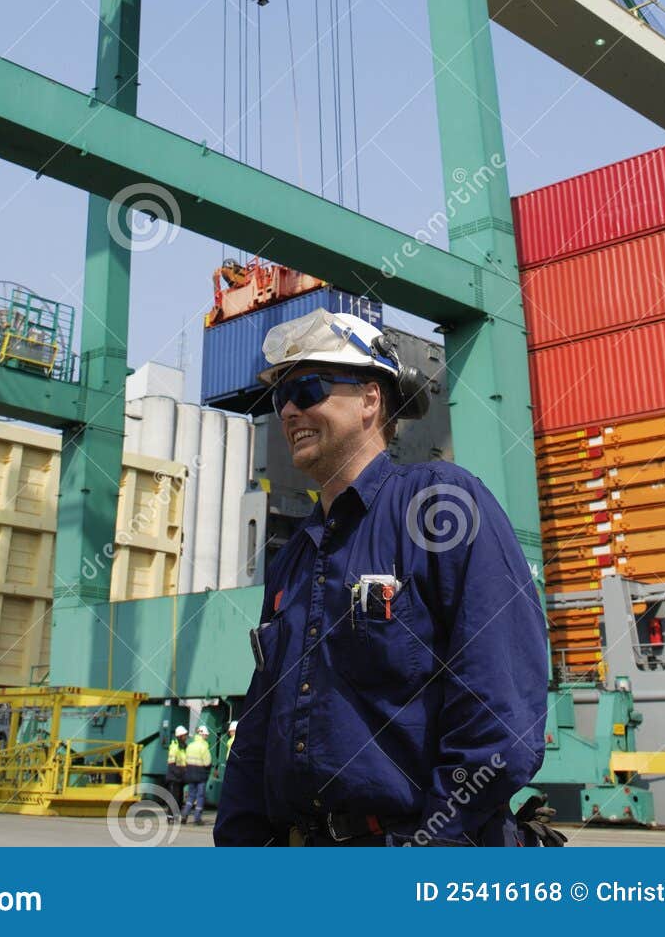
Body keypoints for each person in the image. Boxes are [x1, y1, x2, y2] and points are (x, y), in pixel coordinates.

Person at [214, 309, 550, 848]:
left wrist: (431, 846)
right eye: (281, 398)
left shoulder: (438, 505)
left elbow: (499, 709)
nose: (290, 410)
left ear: (371, 399)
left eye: (307, 387)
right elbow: (258, 727)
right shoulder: (293, 561)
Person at [181, 726, 211, 825]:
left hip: (190, 774)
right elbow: (207, 763)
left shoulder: (190, 745)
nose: (207, 737)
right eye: (206, 735)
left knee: (190, 796)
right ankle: (197, 818)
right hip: (201, 775)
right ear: (203, 735)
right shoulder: (204, 747)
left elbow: (185, 760)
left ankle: (184, 814)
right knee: (200, 796)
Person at [166, 724, 188, 813]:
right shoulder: (174, 747)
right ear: (180, 736)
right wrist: (180, 772)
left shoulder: (184, 747)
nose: (186, 737)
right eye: (184, 735)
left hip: (181, 776)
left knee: (179, 797)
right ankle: (170, 815)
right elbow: (171, 764)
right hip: (174, 776)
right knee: (174, 796)